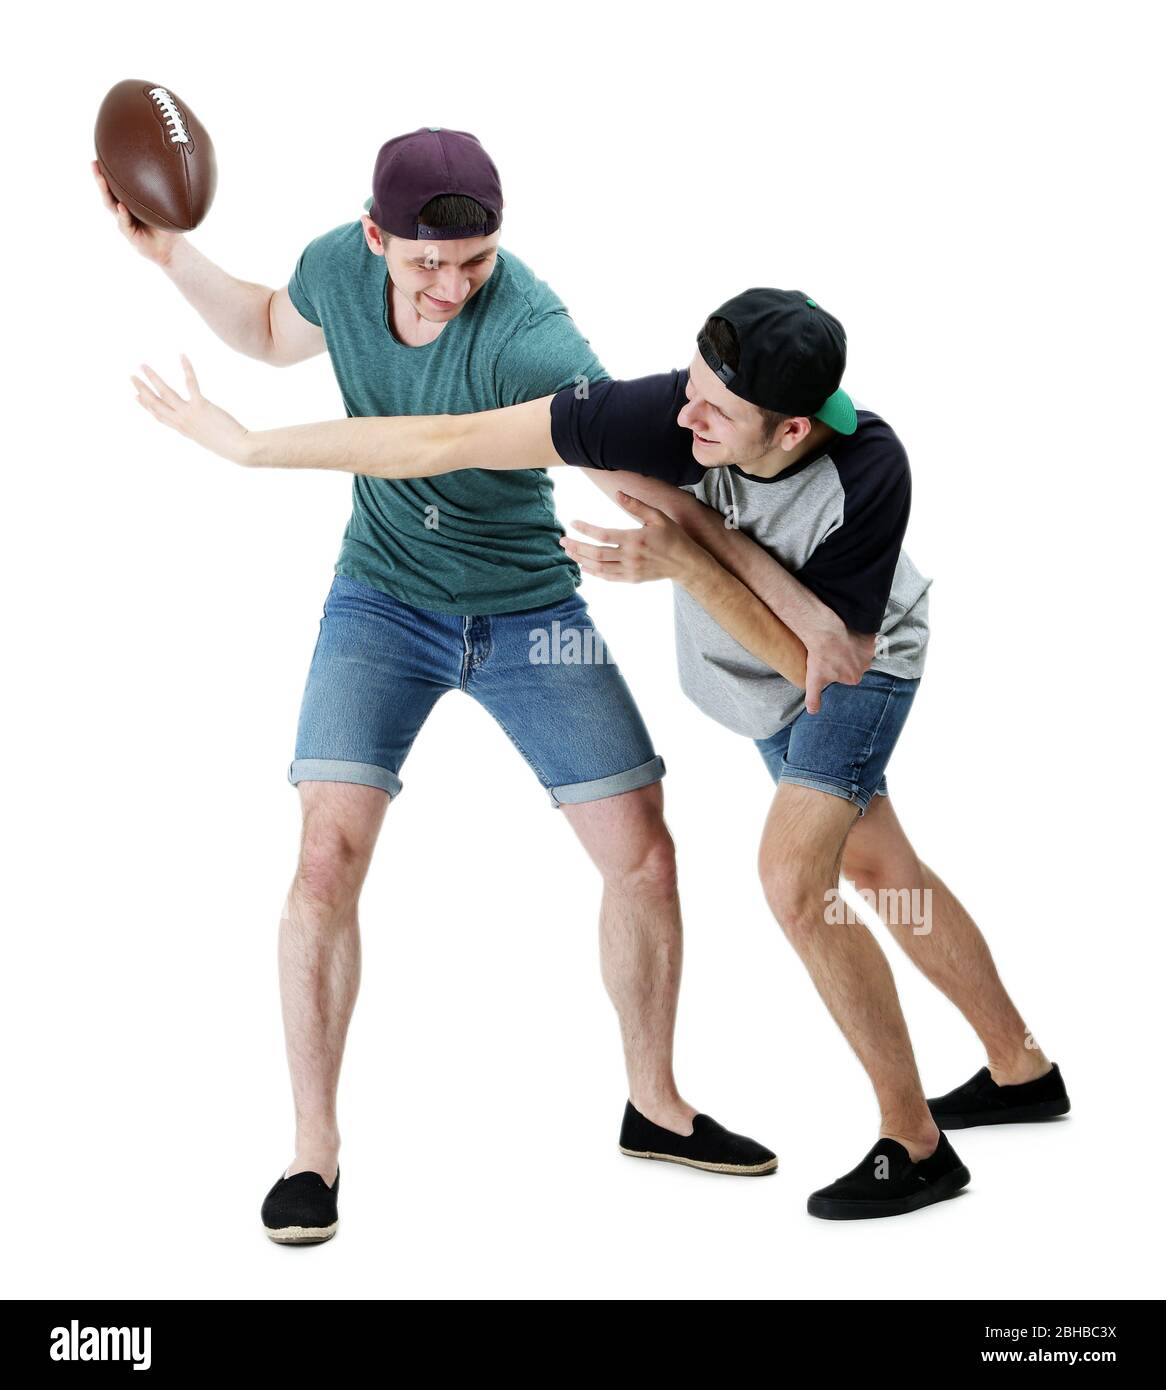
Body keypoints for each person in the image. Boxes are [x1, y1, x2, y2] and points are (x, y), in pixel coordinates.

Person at [132, 287, 1072, 1220]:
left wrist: (687, 557)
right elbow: (444, 439)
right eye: (690, 383)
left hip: (857, 678)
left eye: (717, 410)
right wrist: (250, 446)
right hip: (774, 671)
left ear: (790, 433)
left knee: (795, 878)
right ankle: (1021, 1067)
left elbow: (818, 669)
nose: (684, 413)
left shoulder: (867, 472)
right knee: (880, 866)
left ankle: (913, 1144)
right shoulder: (663, 411)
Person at [95, 130, 833, 1245]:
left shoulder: (534, 335)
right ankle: (312, 1152)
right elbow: (260, 326)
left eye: (476, 261)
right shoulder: (339, 269)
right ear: (374, 235)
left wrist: (800, 614)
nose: (449, 288)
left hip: (532, 613)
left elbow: (644, 489)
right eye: (424, 264)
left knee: (642, 850)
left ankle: (654, 1102)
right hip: (378, 603)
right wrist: (168, 257)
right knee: (323, 858)